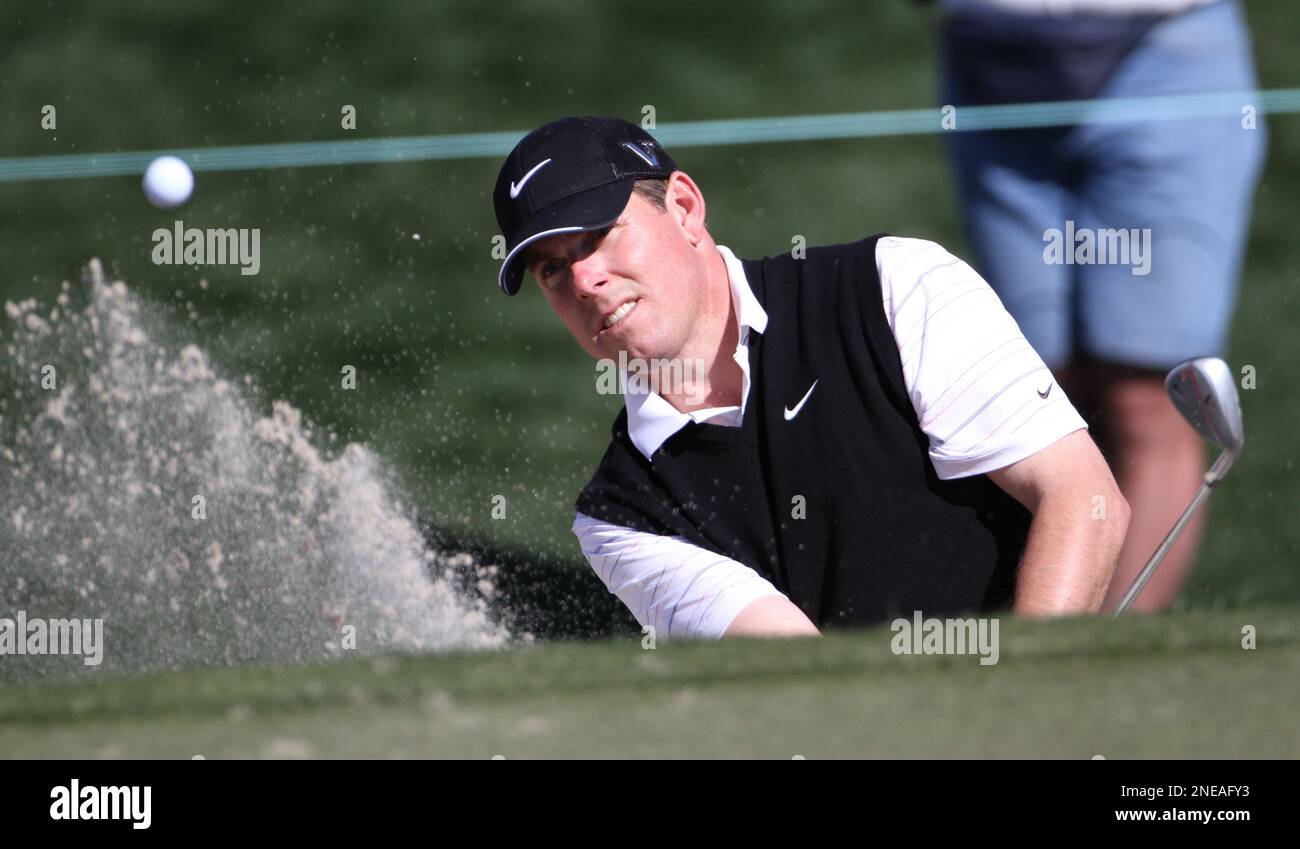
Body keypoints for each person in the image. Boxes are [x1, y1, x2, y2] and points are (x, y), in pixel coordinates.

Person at [492, 116, 1129, 640]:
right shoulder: (621, 519)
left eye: (601, 236)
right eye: (551, 269)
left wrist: (1017, 715)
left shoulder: (893, 286)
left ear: (684, 207)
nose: (583, 280)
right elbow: (802, 669)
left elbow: (1082, 502)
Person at [936, 0, 1267, 611]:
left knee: (1147, 398)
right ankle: (1045, 657)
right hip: (990, 59)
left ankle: (1109, 654)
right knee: (1037, 398)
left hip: (1167, 51)